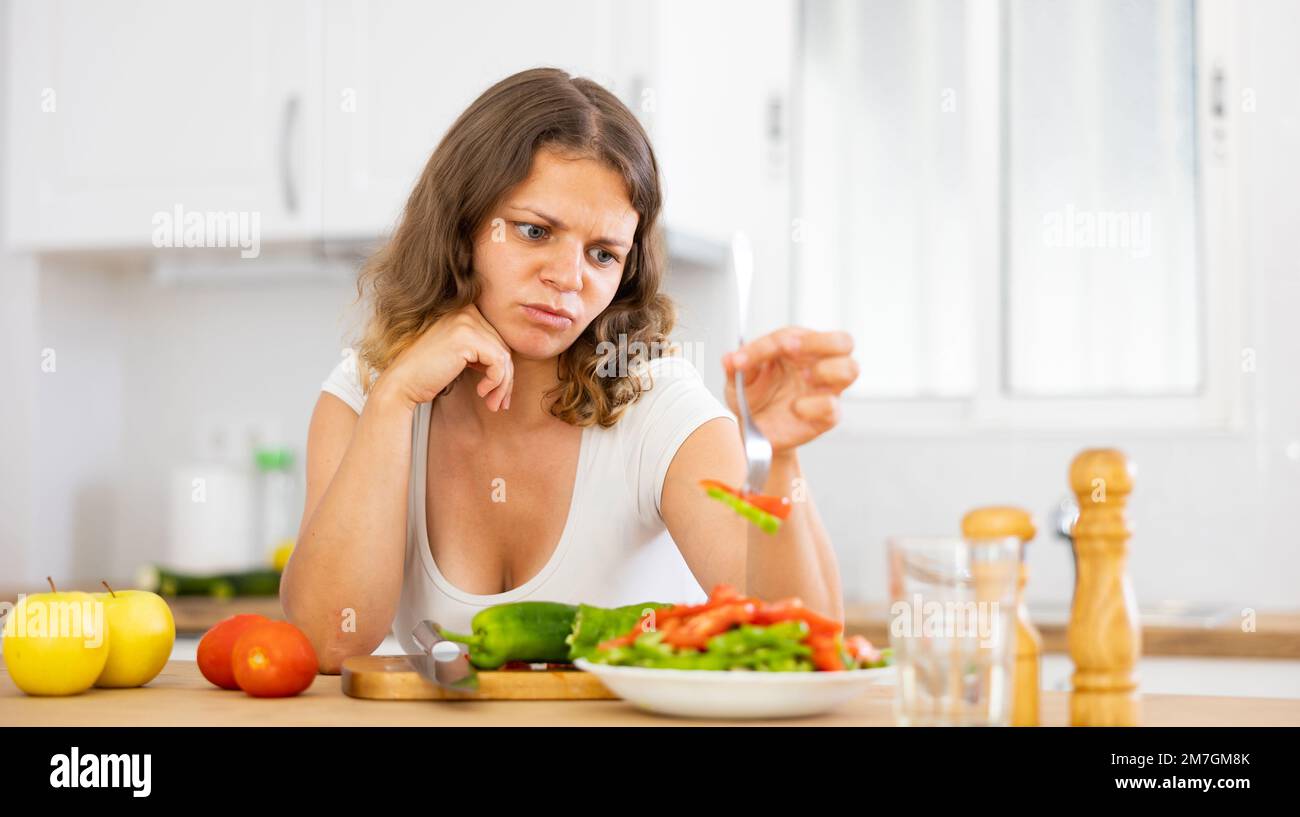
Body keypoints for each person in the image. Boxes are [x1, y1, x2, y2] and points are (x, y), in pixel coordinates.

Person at [280, 68, 859, 673]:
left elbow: (800, 644)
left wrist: (774, 457)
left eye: (602, 253)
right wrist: (395, 400)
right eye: (535, 232)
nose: (569, 278)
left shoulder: (658, 404)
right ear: (460, 226)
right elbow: (329, 642)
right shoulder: (365, 393)